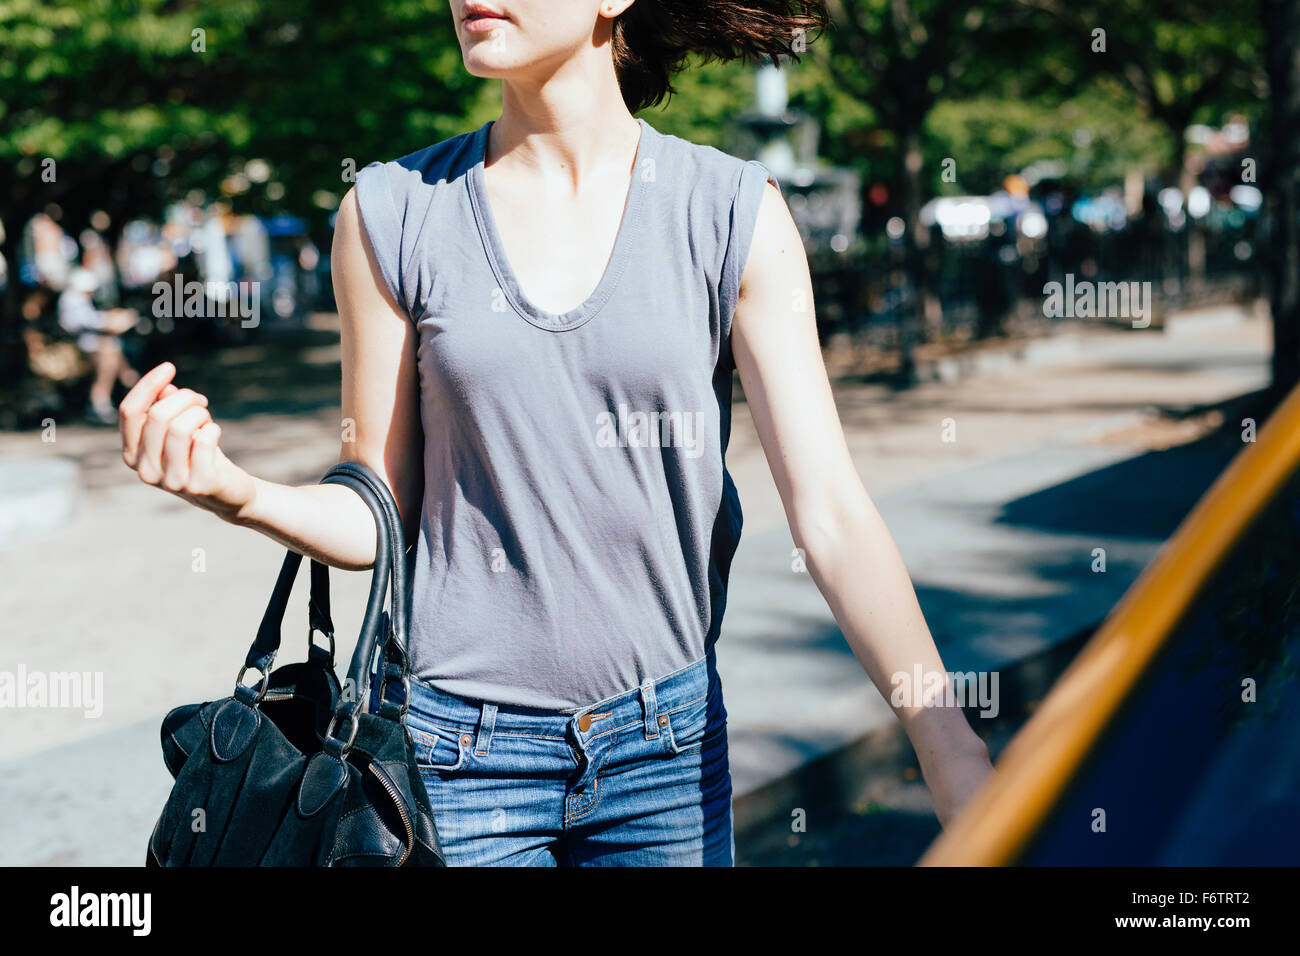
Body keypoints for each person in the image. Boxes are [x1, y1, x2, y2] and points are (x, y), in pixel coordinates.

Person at [119, 0, 992, 866]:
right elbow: (376, 509)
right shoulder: (390, 212)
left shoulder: (733, 212)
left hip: (669, 755)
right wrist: (232, 491)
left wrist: (947, 745)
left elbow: (832, 513)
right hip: (454, 762)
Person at [59, 267, 140, 424]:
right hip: (84, 343)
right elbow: (84, 321)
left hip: (90, 341)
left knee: (114, 350)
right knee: (110, 358)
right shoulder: (73, 298)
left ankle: (126, 383)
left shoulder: (75, 297)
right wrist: (111, 320)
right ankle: (103, 399)